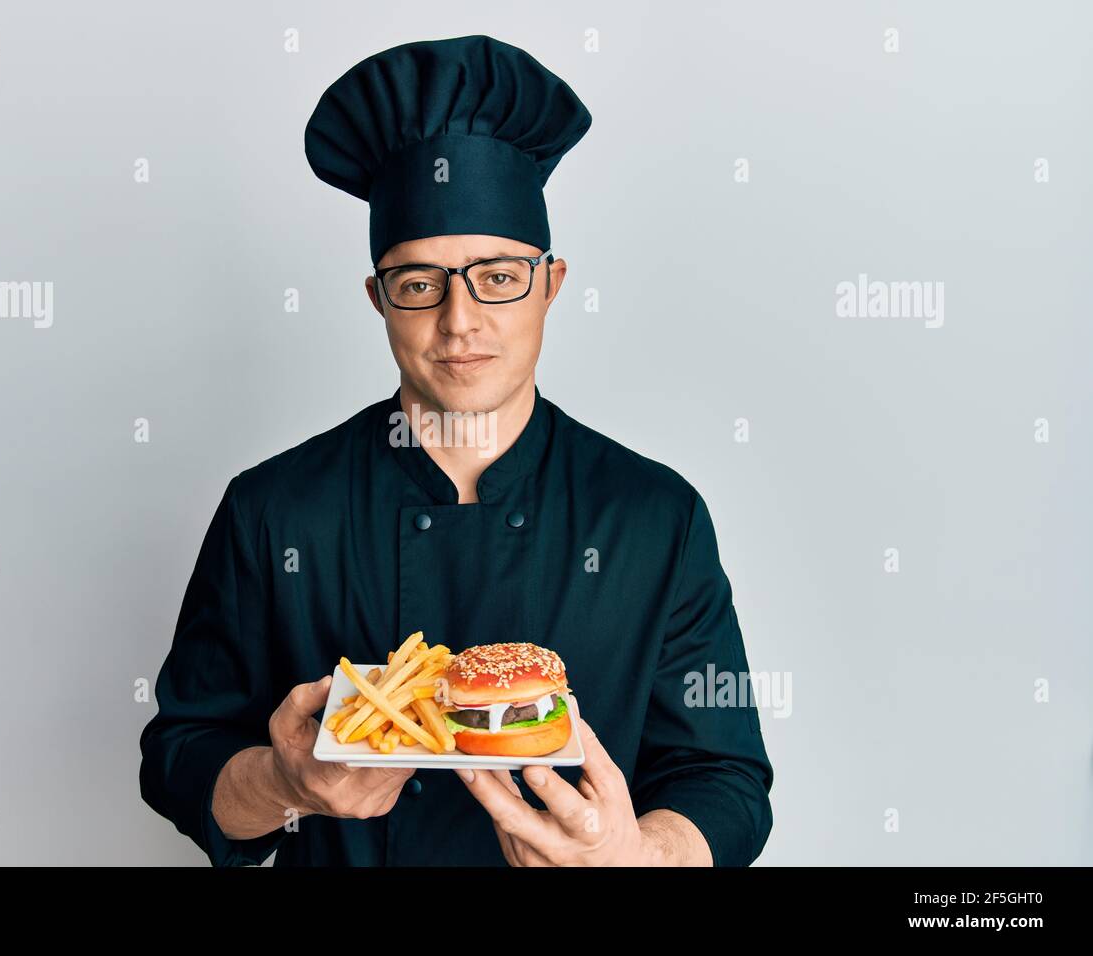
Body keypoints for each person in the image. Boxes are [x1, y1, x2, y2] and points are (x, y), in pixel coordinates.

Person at [139, 34, 773, 866]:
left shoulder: (654, 516)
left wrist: (635, 857)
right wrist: (285, 782)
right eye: (418, 283)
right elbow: (180, 757)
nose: (460, 320)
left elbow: (724, 779)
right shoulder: (274, 509)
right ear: (379, 298)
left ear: (550, 283)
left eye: (499, 276)